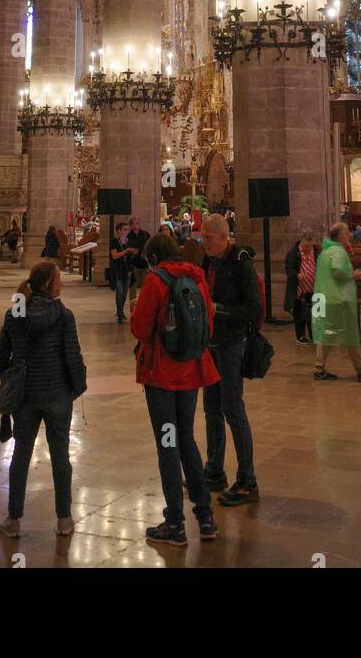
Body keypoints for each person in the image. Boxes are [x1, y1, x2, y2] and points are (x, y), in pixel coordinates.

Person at [131, 231, 219, 547]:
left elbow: (140, 328)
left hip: (163, 376)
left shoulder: (156, 282)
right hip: (191, 373)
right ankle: (206, 517)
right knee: (186, 439)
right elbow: (207, 325)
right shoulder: (197, 278)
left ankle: (174, 523)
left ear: (153, 258)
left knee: (167, 444)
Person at [0, 260, 86, 539]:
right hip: (57, 393)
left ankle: (13, 520)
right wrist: (77, 387)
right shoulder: (63, 315)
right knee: (60, 457)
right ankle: (64, 519)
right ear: (48, 284)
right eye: (58, 278)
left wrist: (12, 377)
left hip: (25, 395)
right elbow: (73, 357)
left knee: (21, 455)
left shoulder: (15, 315)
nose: (61, 283)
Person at [201, 213, 261, 506]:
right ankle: (214, 471)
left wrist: (218, 309)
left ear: (224, 237)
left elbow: (253, 309)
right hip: (210, 345)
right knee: (211, 410)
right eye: (202, 238)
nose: (204, 244)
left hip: (232, 344)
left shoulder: (241, 262)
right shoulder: (208, 261)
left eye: (208, 239)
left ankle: (247, 480)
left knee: (233, 410)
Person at [312, 222, 361, 383]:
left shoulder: (325, 251)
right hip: (338, 299)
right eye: (347, 232)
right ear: (341, 236)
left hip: (322, 297)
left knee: (325, 334)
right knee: (351, 335)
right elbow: (337, 271)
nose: (349, 235)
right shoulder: (338, 251)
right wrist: (353, 275)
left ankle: (319, 368)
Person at [284, 230, 318, 343]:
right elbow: (288, 269)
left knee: (315, 313)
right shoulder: (293, 253)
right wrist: (297, 275)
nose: (308, 249)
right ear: (301, 243)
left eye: (310, 246)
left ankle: (315, 335)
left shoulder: (317, 251)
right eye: (306, 246)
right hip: (300, 289)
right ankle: (301, 336)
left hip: (315, 288)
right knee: (300, 313)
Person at [110, 221, 135, 322]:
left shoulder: (129, 241)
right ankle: (120, 313)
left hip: (127, 269)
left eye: (128, 229)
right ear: (119, 231)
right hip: (118, 269)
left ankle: (120, 311)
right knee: (119, 292)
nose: (127, 231)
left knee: (125, 292)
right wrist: (126, 251)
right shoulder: (114, 241)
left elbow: (130, 255)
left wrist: (133, 252)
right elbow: (114, 256)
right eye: (125, 229)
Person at [125, 216, 150, 308]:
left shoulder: (145, 234)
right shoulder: (128, 235)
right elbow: (129, 248)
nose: (137, 225)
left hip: (145, 263)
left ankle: (144, 304)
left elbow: (148, 245)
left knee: (146, 285)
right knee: (133, 286)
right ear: (131, 225)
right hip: (134, 264)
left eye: (138, 223)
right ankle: (133, 305)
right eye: (135, 223)